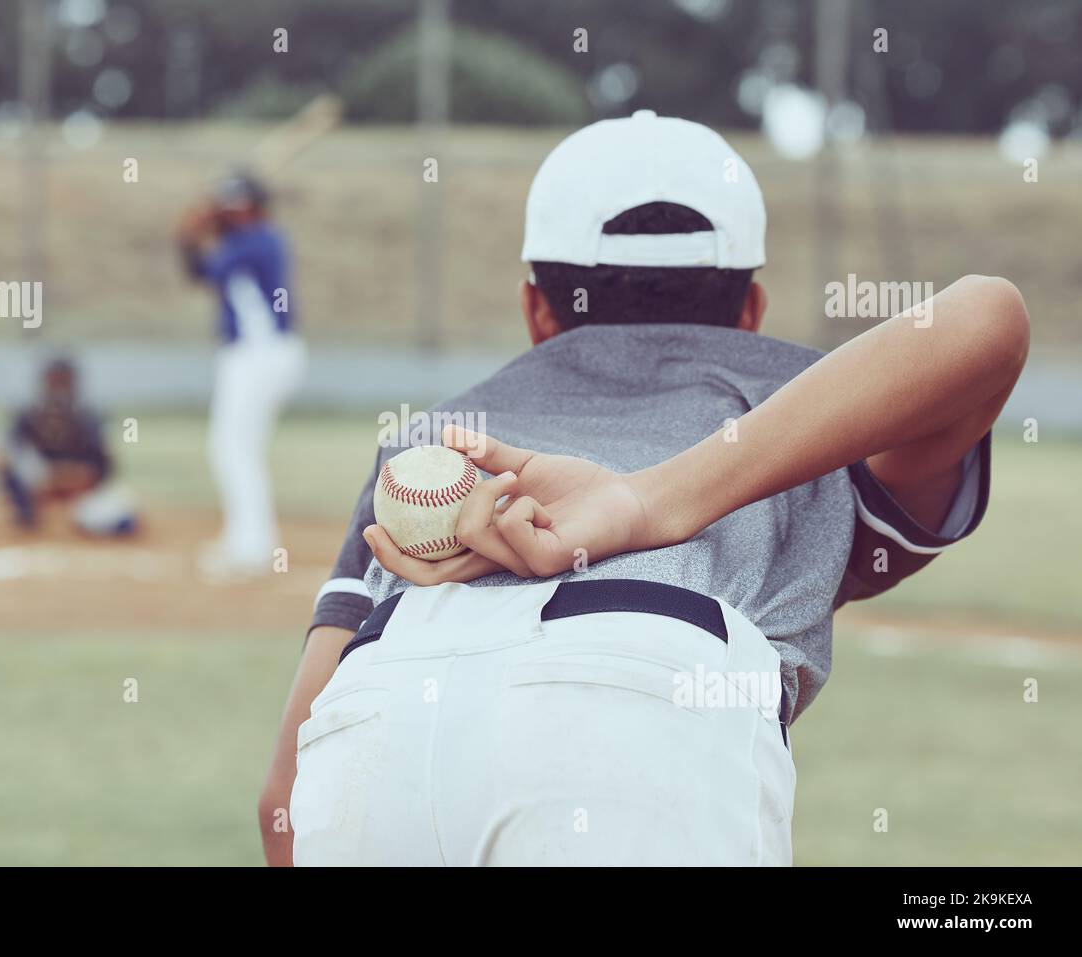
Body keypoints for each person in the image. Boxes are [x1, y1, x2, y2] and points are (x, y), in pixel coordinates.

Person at [261, 111, 1029, 866]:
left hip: (380, 714)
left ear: (535, 310)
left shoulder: (436, 439)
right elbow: (990, 317)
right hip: (649, 701)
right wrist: (652, 503)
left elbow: (283, 806)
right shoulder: (810, 417)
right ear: (752, 309)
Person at [177, 173, 307, 579]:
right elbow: (198, 272)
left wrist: (197, 230)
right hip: (258, 354)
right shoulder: (247, 239)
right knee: (238, 448)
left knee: (232, 448)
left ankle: (252, 546)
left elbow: (210, 267)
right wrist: (188, 240)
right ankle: (247, 539)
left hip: (258, 355)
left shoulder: (258, 240)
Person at [0, 356, 137, 537]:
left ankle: (84, 515)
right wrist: (44, 480)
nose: (58, 389)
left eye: (63, 381)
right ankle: (27, 514)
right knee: (5, 456)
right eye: (54, 381)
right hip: (44, 480)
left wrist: (73, 476)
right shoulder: (28, 414)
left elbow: (106, 465)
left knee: (115, 521)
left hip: (83, 488)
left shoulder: (89, 416)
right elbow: (2, 453)